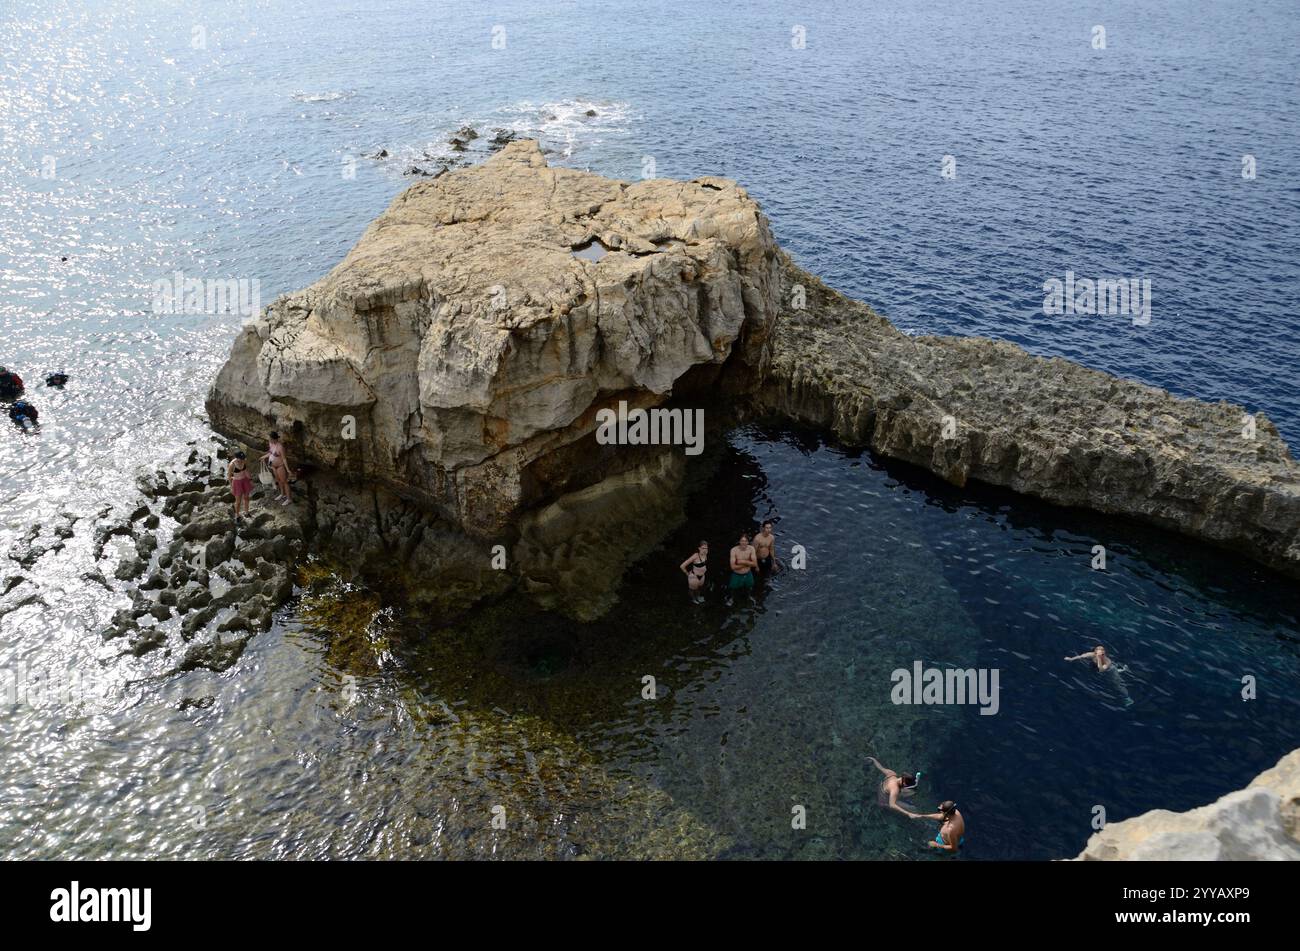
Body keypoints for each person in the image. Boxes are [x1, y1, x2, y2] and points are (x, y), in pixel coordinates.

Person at [1065, 645, 1133, 706]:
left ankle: (1127, 698)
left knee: (1117, 685)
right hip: (1101, 669)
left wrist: (1099, 661)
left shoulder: (1107, 661)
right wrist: (1071, 659)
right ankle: (1123, 670)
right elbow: (1081, 656)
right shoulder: (1091, 654)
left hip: (1110, 670)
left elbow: (1102, 670)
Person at [260, 430, 296, 505]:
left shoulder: (280, 447)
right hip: (273, 466)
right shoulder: (271, 443)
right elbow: (270, 452)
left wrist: (287, 469)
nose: (269, 440)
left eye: (270, 439)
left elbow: (284, 459)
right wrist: (264, 457)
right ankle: (282, 494)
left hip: (280, 466)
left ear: (275, 439)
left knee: (285, 482)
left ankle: (289, 499)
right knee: (278, 480)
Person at [727, 532, 758, 598]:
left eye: (745, 541)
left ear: (748, 542)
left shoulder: (751, 549)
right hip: (736, 574)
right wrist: (748, 563)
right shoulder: (734, 550)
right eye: (742, 541)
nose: (744, 543)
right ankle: (732, 598)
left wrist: (742, 561)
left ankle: (748, 597)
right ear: (739, 541)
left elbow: (755, 564)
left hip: (748, 573)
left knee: (749, 587)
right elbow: (733, 567)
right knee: (733, 588)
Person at [228, 451, 253, 521]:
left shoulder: (244, 461)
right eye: (241, 458)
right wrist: (231, 487)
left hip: (245, 480)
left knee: (247, 497)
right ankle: (237, 515)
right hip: (237, 482)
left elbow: (245, 471)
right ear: (237, 458)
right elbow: (229, 476)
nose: (243, 460)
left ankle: (246, 512)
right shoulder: (232, 465)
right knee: (238, 501)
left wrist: (250, 479)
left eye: (243, 458)